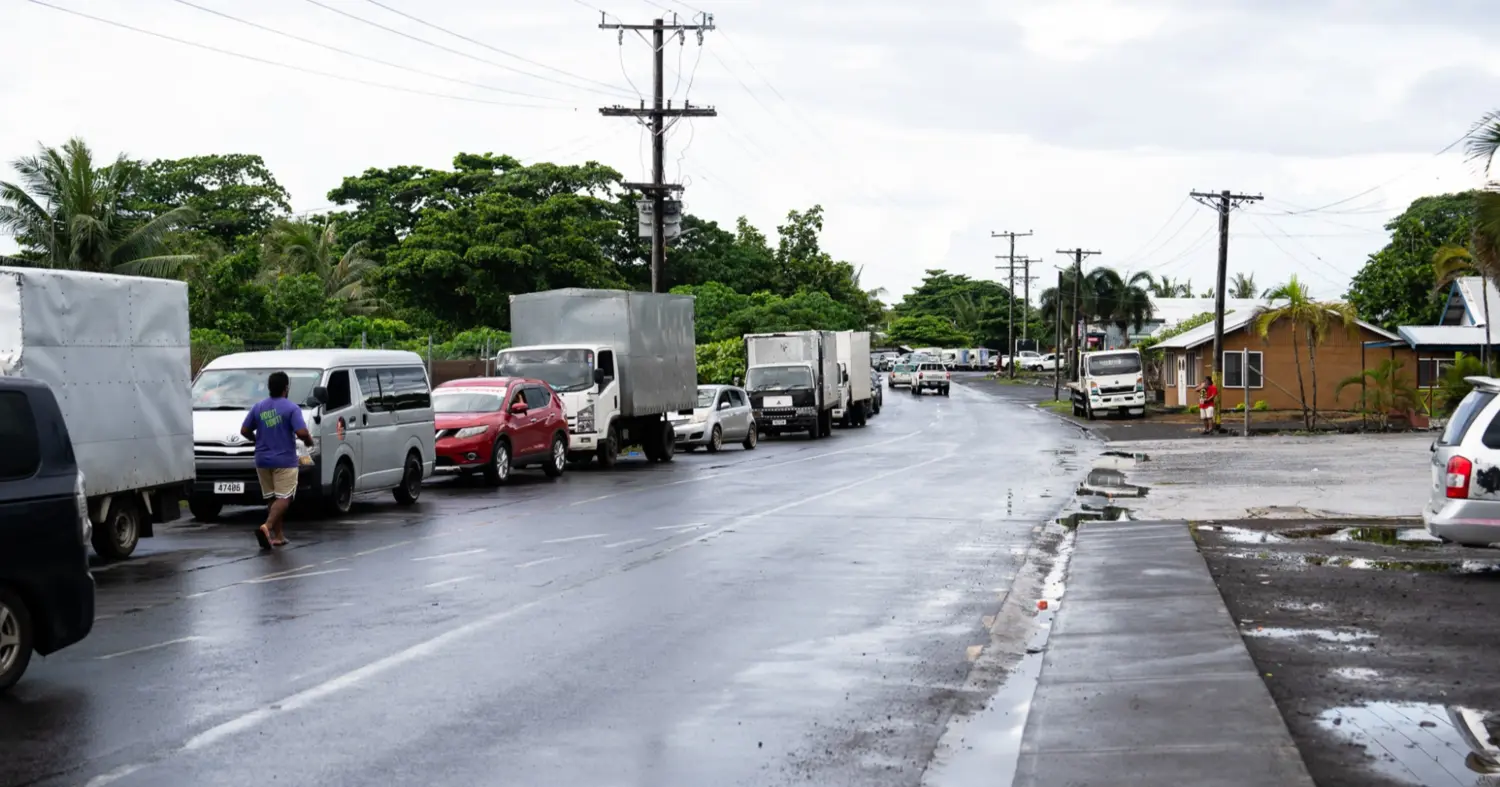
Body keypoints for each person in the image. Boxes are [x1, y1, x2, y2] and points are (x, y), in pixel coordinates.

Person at [241, 371, 313, 549]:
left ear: (269, 388)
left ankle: (278, 536)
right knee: (285, 498)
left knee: (273, 498)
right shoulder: (291, 408)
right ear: (286, 388)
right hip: (284, 460)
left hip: (262, 460)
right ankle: (267, 527)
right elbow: (301, 432)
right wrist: (309, 441)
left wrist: (255, 439)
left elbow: (244, 430)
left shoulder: (258, 407)